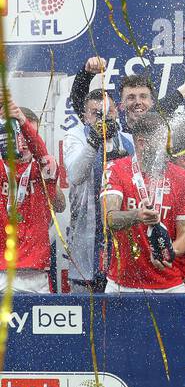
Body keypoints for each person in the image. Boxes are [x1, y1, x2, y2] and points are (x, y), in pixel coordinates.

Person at [99, 112, 185, 293]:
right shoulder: (115, 169)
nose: (171, 147)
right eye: (164, 142)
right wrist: (137, 215)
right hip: (122, 285)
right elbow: (109, 219)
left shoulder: (183, 178)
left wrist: (167, 252)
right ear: (142, 143)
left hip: (170, 286)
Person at [63, 88, 134, 292]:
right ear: (85, 116)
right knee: (86, 316)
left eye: (108, 111)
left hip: (122, 241)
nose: (103, 117)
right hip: (86, 240)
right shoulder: (75, 135)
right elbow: (75, 175)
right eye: (96, 113)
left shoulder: (128, 140)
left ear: (116, 112)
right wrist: (94, 140)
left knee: (120, 317)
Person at [0, 100, 65, 292]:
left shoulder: (46, 168)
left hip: (36, 275)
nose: (26, 141)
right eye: (20, 134)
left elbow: (42, 154)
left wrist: (21, 120)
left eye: (30, 134)